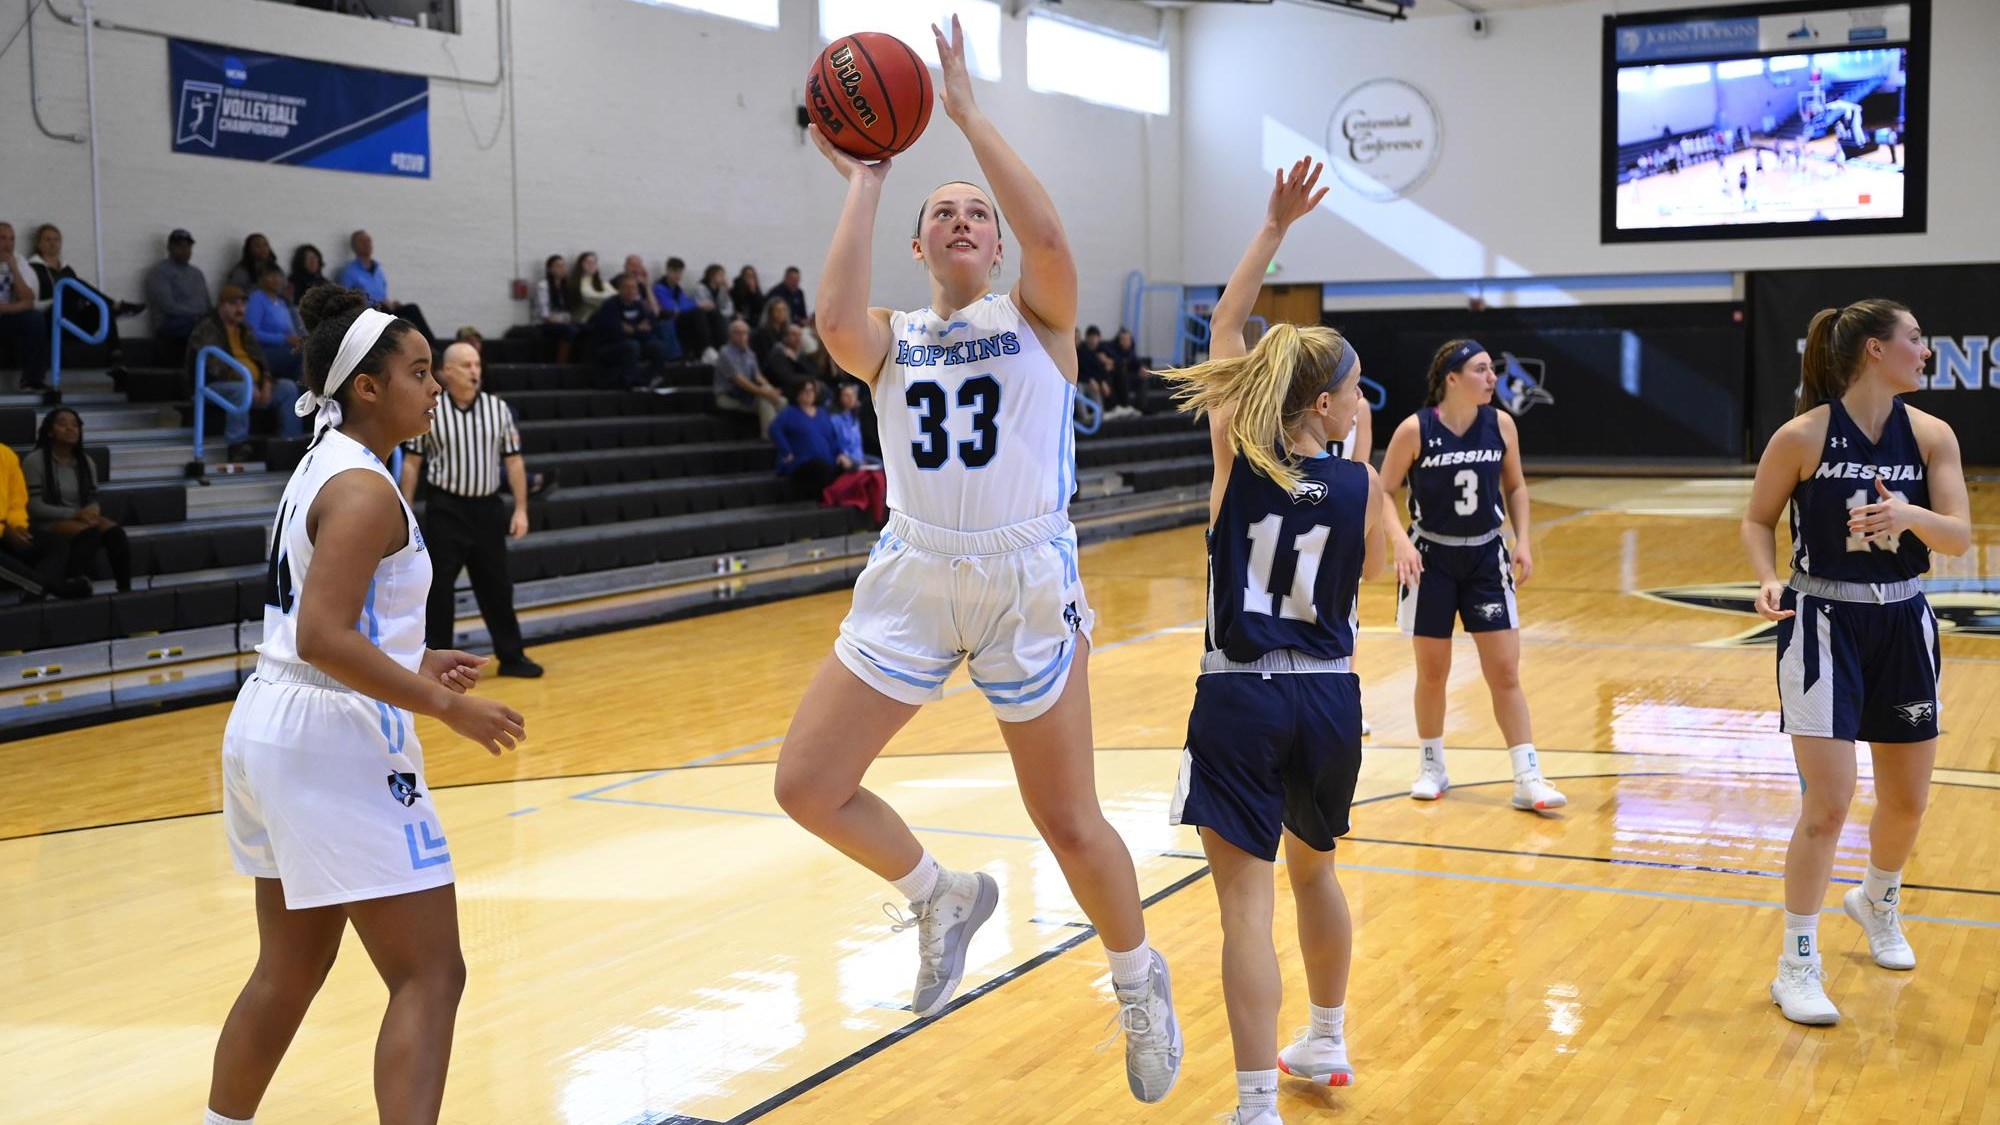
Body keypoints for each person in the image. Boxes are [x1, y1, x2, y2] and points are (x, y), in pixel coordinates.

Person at [773, 16, 1182, 1103]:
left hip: (1022, 583)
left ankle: (1137, 978)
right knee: (807, 784)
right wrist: (867, 175)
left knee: (1067, 821)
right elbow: (828, 313)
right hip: (913, 571)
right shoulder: (889, 339)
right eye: (940, 213)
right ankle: (938, 893)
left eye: (975, 215)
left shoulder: (1038, 319)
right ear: (919, 248)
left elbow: (1051, 237)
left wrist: (965, 115)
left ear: (993, 248)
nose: (961, 220)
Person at [202, 284, 524, 1125]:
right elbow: (322, 634)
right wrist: (440, 705)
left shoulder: (325, 461)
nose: (431, 386)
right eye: (418, 372)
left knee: (291, 967)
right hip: (330, 735)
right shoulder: (366, 488)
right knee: (431, 971)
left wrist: (416, 654)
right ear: (368, 388)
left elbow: (325, 620)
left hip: (272, 725)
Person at [1163, 157, 1381, 1125]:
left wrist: (1271, 230)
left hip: (1240, 692)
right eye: (1353, 389)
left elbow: (1220, 330)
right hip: (1329, 694)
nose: (1360, 399)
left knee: (1243, 911)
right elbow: (1375, 571)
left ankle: (1256, 1107)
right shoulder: (1358, 485)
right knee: (1317, 870)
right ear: (1326, 408)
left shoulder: (1235, 460)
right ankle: (1325, 1035)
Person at [1741, 300, 1968, 1027]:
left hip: (1903, 617)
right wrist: (1765, 575)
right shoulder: (1802, 436)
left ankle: (1877, 900)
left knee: (1907, 802)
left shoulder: (1931, 435)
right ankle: (1796, 963)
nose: (1924, 350)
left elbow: (1959, 535)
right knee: (1829, 803)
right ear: (1876, 350)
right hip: (1822, 622)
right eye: (1915, 338)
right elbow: (1757, 520)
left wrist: (1908, 516)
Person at [1376, 339, 1566, 813]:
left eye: (1491, 370)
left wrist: (1523, 539)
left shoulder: (1500, 423)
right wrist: (1399, 542)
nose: (1492, 378)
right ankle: (1431, 765)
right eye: (1482, 370)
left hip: (1485, 559)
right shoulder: (1414, 430)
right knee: (1432, 672)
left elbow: (1516, 485)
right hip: (1430, 559)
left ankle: (1527, 776)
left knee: (1504, 671)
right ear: (1452, 379)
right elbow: (1381, 492)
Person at [400, 341, 543, 679]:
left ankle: (512, 656)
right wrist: (404, 511)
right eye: (466, 365)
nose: (475, 371)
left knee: (497, 585)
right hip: (446, 509)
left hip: (488, 509)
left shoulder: (498, 409)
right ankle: (437, 665)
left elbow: (515, 461)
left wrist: (521, 509)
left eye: (477, 364)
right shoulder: (430, 409)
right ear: (446, 372)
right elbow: (411, 464)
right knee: (438, 590)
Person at [188, 285, 304, 461]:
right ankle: (236, 445)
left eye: (243, 304)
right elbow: (215, 367)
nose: (239, 309)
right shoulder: (207, 328)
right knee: (241, 390)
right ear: (221, 306)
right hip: (211, 385)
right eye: (233, 304)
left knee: (287, 388)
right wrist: (249, 383)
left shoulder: (245, 329)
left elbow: (261, 360)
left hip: (251, 384)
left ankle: (289, 442)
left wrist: (266, 382)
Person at [23, 406, 131, 593]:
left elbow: (92, 497)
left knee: (116, 534)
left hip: (77, 517)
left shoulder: (85, 461)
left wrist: (92, 509)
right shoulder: (35, 461)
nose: (70, 428)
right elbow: (34, 506)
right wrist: (75, 513)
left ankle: (125, 589)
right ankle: (73, 582)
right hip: (46, 520)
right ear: (49, 431)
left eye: (75, 425)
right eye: (62, 424)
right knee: (90, 533)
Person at [28, 223, 144, 374]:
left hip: (72, 320)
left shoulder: (67, 269)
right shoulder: (32, 268)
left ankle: (116, 356)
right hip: (49, 320)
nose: (53, 243)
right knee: (70, 285)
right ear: (39, 244)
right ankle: (116, 305)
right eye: (48, 239)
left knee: (100, 308)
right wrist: (56, 300)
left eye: (56, 239)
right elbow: (31, 303)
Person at [0, 440, 84, 599]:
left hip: (6, 527)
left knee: (57, 545)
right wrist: (4, 530)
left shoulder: (5, 454)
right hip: (3, 530)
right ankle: (56, 589)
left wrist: (18, 526)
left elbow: (17, 502)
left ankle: (33, 597)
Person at [337, 230, 435, 342]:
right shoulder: (349, 271)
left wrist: (391, 303)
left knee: (412, 309)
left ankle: (433, 347)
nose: (367, 244)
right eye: (362, 241)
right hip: (369, 313)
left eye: (369, 241)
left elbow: (382, 295)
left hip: (385, 309)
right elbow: (346, 300)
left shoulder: (378, 270)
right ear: (354, 247)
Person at [769, 377, 850, 500]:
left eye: (812, 390)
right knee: (822, 470)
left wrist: (840, 454)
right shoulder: (789, 413)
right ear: (797, 393)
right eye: (805, 390)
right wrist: (786, 451)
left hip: (827, 461)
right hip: (802, 462)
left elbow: (832, 437)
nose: (809, 393)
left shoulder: (822, 413)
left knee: (850, 468)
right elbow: (774, 429)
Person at [586, 273, 668, 390]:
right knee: (632, 345)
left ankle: (656, 379)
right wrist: (637, 329)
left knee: (657, 346)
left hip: (634, 345)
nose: (631, 291)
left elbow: (650, 328)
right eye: (627, 287)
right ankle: (631, 382)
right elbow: (615, 333)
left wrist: (632, 330)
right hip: (607, 349)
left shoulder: (639, 306)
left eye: (634, 287)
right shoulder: (610, 306)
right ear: (619, 289)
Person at [146, 228, 213, 366]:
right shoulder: (159, 272)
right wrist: (198, 315)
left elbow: (207, 303)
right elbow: (169, 306)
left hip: (198, 320)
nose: (185, 250)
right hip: (170, 324)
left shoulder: (197, 273)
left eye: (188, 246)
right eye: (180, 246)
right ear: (169, 248)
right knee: (203, 330)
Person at [712, 317, 783, 437]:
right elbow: (740, 381)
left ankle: (787, 437)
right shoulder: (725, 353)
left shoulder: (750, 353)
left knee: (782, 401)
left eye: (744, 333)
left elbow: (758, 376)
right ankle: (770, 437)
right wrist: (765, 393)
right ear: (730, 335)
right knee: (765, 400)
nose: (742, 336)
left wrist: (770, 389)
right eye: (737, 333)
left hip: (746, 395)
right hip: (728, 396)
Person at [0, 222, 49, 392]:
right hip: (8, 313)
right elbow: (25, 303)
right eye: (3, 238)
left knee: (34, 318)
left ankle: (31, 380)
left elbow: (29, 299)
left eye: (12, 239)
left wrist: (14, 269)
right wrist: (19, 306)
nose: (8, 243)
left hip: (5, 320)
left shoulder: (18, 261)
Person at [247, 265, 306, 379]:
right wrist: (283, 338)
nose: (276, 279)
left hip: (285, 349)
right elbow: (253, 333)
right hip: (264, 352)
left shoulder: (281, 302)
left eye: (279, 276)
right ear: (261, 280)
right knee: (304, 355)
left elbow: (290, 331)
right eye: (271, 276)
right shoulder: (257, 299)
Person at [531, 254, 579, 363]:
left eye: (563, 266)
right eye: (558, 266)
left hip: (563, 321)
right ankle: (561, 362)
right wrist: (561, 322)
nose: (562, 269)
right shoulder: (543, 286)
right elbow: (544, 314)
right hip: (545, 323)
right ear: (550, 269)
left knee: (586, 328)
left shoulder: (565, 286)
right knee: (570, 330)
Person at [654, 257, 705, 357]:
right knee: (697, 312)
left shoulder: (677, 288)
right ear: (668, 271)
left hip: (679, 317)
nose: (678, 275)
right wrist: (696, 304)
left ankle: (703, 350)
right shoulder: (659, 287)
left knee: (704, 313)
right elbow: (671, 306)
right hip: (669, 318)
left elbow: (683, 303)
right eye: (675, 272)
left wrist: (696, 305)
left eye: (680, 272)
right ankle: (703, 349)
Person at [828, 379, 878, 468]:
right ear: (839, 397)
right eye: (846, 396)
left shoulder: (855, 416)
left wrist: (861, 459)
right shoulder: (835, 419)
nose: (851, 398)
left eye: (853, 395)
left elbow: (858, 444)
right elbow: (837, 443)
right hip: (847, 459)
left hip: (860, 457)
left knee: (881, 465)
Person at [568, 252, 612, 322]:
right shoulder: (576, 283)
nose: (591, 265)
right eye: (588, 262)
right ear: (580, 265)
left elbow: (616, 296)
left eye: (594, 262)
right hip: (584, 321)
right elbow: (589, 297)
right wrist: (608, 299)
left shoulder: (602, 283)